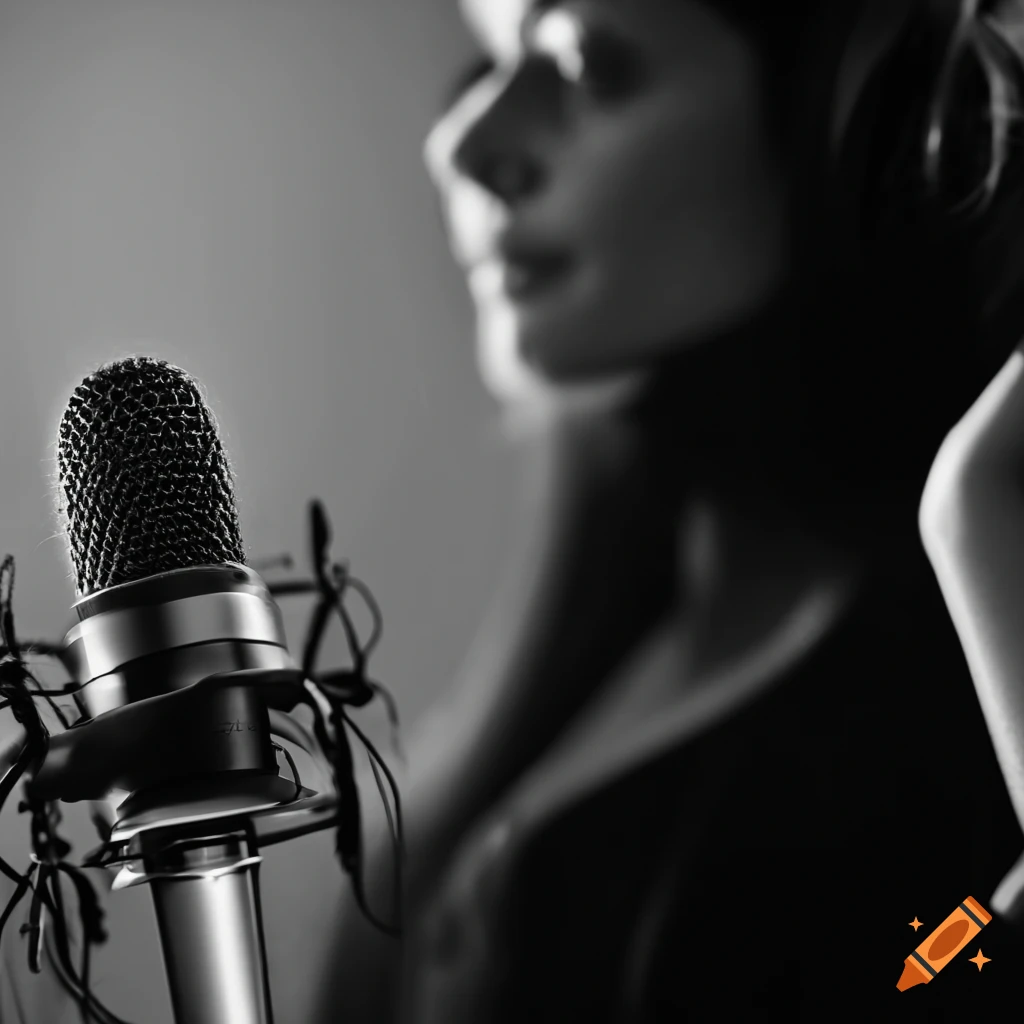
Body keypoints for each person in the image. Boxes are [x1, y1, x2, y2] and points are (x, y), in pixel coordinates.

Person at [314, 0, 1024, 1019]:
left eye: (587, 63)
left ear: (846, 117)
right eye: (495, 60)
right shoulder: (612, 613)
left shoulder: (961, 684)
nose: (461, 140)